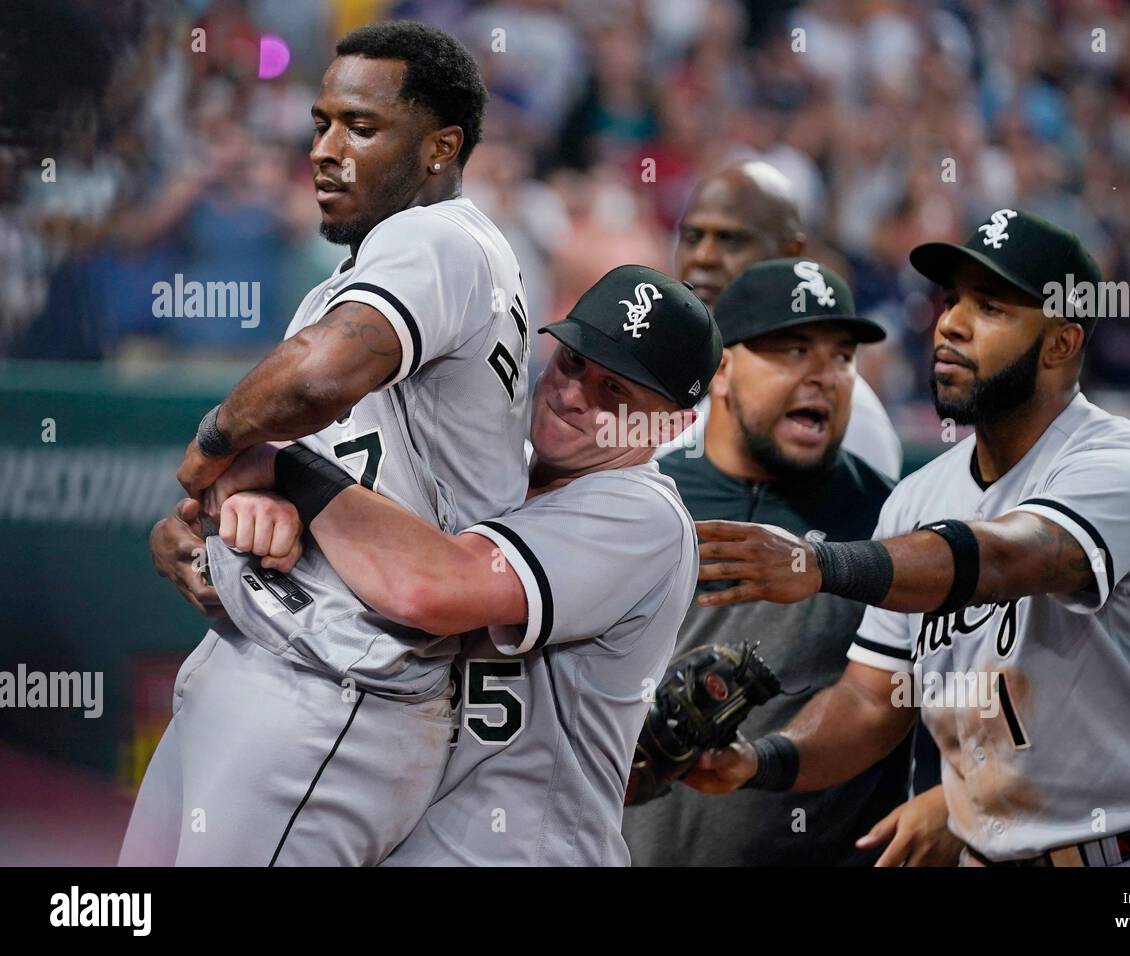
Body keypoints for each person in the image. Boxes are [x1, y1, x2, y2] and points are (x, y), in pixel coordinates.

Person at [685, 209, 1130, 867]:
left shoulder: (1123, 469)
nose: (950, 322)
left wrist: (820, 562)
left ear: (1060, 344)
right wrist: (760, 760)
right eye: (952, 299)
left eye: (991, 307)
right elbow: (871, 702)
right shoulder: (918, 498)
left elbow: (1009, 555)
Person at [122, 22, 530, 865]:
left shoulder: (439, 236)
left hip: (330, 690)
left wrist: (208, 450)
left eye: (362, 126)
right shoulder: (386, 265)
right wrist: (205, 519)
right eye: (320, 124)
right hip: (278, 664)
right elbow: (320, 450)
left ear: (440, 148)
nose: (326, 149)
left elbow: (316, 379)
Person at [161, 266, 721, 865]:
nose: (572, 393)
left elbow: (430, 588)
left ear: (672, 424)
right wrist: (229, 535)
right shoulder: (498, 470)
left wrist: (287, 469)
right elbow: (355, 551)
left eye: (616, 392)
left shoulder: (644, 512)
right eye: (574, 362)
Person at [621, 258, 933, 865]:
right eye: (792, 350)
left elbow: (915, 702)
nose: (825, 376)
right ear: (722, 370)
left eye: (842, 357)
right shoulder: (639, 498)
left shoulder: (895, 523)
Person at [663, 160, 903, 482]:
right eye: (692, 237)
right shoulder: (651, 365)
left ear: (791, 253)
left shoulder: (836, 408)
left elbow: (865, 524)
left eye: (730, 239)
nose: (703, 256)